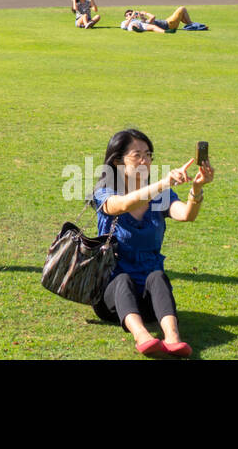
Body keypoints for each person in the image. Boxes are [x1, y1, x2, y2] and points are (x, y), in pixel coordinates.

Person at [90, 128, 215, 357]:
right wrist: (163, 183)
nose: (145, 161)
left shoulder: (160, 196)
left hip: (149, 302)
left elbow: (186, 214)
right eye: (137, 155)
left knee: (157, 276)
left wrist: (196, 190)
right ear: (118, 162)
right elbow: (123, 205)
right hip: (112, 298)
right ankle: (142, 336)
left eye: (148, 155)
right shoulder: (105, 193)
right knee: (122, 280)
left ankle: (172, 338)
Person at [121, 7, 205, 33]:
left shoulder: (141, 21)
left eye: (132, 13)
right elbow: (153, 17)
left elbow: (149, 19)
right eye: (128, 14)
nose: (131, 14)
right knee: (182, 9)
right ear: (126, 17)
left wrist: (141, 15)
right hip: (169, 24)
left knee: (182, 16)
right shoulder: (130, 23)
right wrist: (146, 12)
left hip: (166, 21)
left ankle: (192, 25)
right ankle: (192, 25)